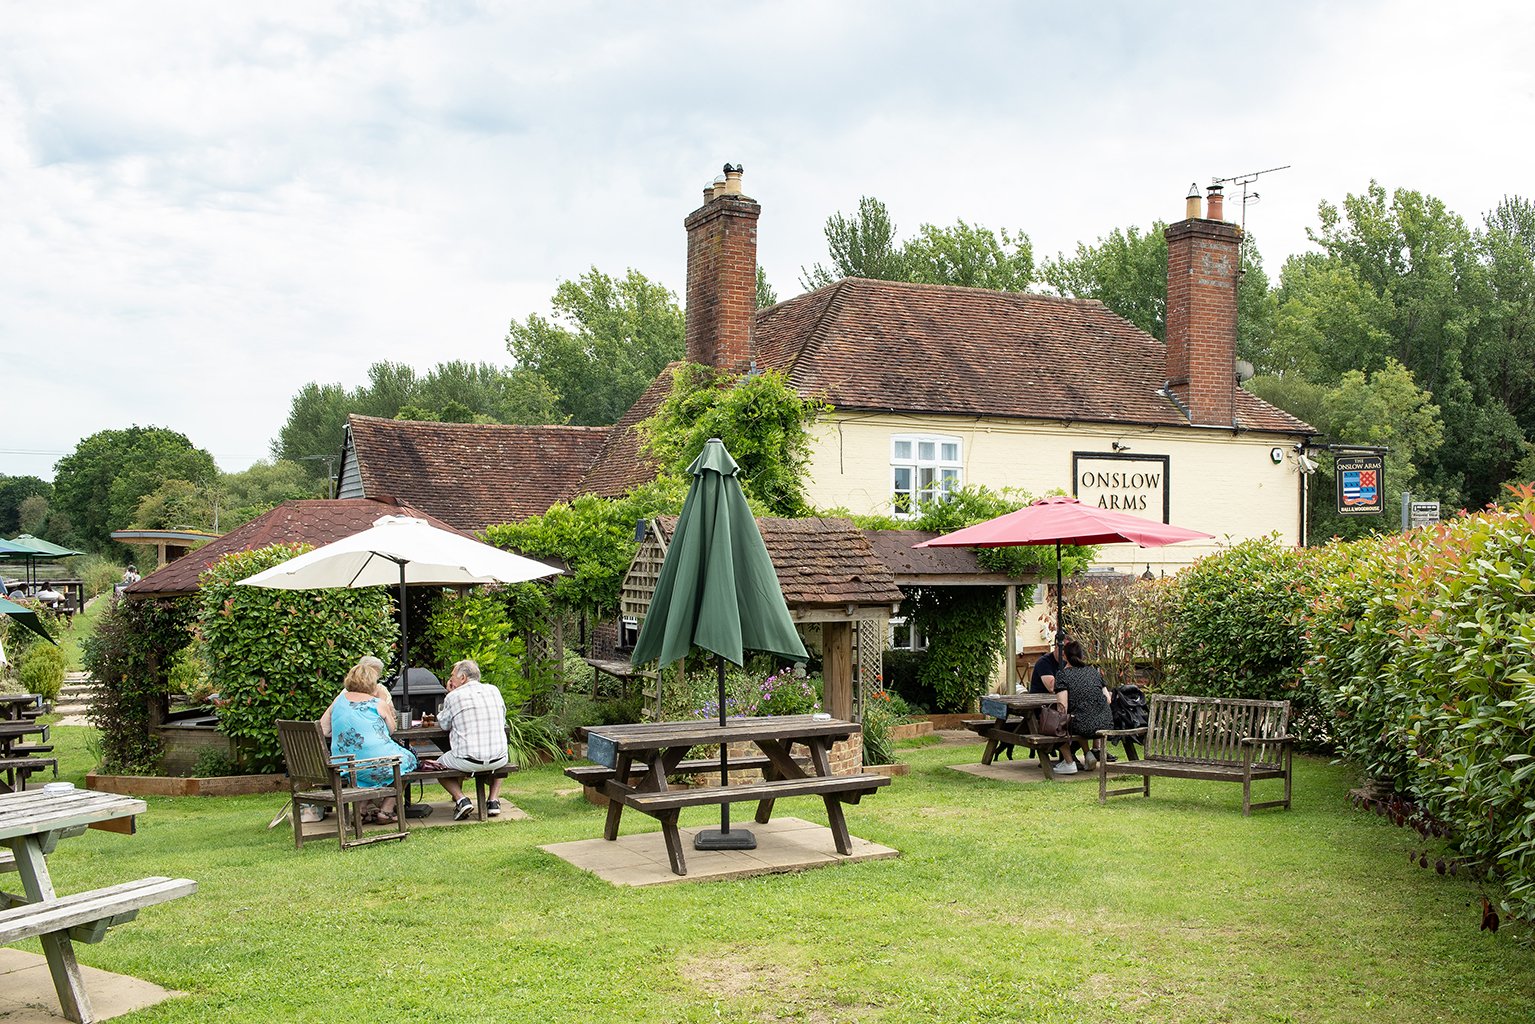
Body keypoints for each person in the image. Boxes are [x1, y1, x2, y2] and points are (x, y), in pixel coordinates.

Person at [319, 658, 417, 822]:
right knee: (410, 759)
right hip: (376, 764)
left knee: (361, 759)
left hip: (345, 766)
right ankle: (386, 809)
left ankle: (362, 810)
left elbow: (323, 729)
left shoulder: (338, 701)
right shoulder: (377, 703)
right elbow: (391, 730)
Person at [432, 659, 509, 819]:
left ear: (463, 678)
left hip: (469, 760)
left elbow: (444, 725)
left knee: (437, 765)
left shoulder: (454, 697)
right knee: (500, 750)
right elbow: (502, 721)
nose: (450, 679)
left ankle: (462, 800)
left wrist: (450, 694)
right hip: (499, 759)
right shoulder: (494, 690)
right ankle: (493, 800)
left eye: (452, 676)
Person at [1051, 639, 1114, 775]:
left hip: (1083, 724)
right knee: (1080, 718)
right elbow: (1108, 700)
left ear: (1065, 657)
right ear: (1082, 656)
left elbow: (1063, 708)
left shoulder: (1063, 675)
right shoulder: (1094, 673)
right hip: (1105, 723)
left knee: (1054, 727)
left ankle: (1069, 763)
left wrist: (1057, 723)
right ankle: (1088, 754)